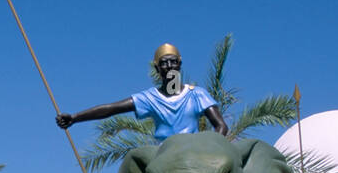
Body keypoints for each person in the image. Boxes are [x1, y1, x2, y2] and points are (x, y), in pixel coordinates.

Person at [56, 43, 228, 140]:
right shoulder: (149, 98)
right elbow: (111, 109)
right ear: (157, 68)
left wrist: (212, 147)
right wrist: (75, 118)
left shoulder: (197, 94)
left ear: (180, 64)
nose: (169, 67)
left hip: (194, 151)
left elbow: (220, 125)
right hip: (164, 154)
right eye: (164, 63)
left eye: (173, 62)